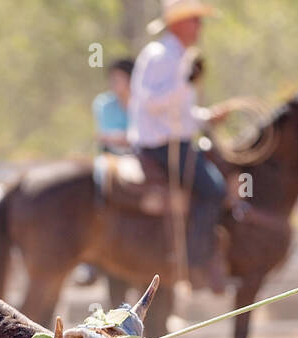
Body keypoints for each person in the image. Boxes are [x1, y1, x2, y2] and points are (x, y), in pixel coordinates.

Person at [128, 0, 230, 292]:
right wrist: (186, 84)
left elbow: (179, 113)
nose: (200, 26)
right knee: (213, 189)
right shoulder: (160, 56)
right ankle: (196, 262)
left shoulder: (179, 57)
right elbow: (150, 102)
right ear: (177, 24)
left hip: (174, 140)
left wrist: (208, 117)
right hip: (160, 145)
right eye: (194, 20)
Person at [93, 58, 134, 154]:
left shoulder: (144, 104)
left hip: (140, 155)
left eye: (117, 78)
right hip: (112, 155)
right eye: (111, 78)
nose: (113, 82)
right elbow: (104, 135)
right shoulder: (103, 103)